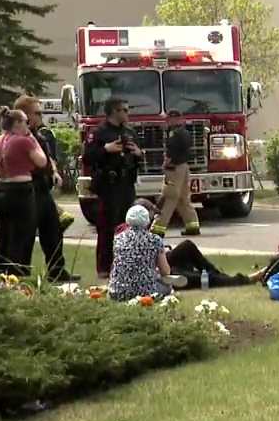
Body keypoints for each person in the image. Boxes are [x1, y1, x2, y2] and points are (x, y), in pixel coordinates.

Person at [15, 95, 78, 282]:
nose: (40, 116)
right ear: (24, 114)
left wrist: (54, 172)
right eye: (37, 113)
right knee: (25, 234)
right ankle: (21, 272)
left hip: (42, 189)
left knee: (53, 230)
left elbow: (47, 158)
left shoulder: (39, 135)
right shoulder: (18, 137)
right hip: (27, 190)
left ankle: (57, 271)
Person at [123, 199, 251, 289]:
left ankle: (219, 276)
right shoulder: (152, 239)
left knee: (186, 252)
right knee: (194, 276)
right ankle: (236, 280)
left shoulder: (120, 237)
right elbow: (165, 270)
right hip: (152, 277)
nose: (153, 220)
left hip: (134, 277)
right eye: (151, 217)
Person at [83, 96, 143, 278]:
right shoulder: (99, 133)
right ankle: (105, 267)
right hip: (108, 186)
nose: (128, 113)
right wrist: (105, 150)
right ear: (114, 111)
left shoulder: (129, 132)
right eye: (124, 110)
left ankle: (127, 265)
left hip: (126, 184)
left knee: (129, 226)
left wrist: (138, 154)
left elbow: (137, 156)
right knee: (108, 228)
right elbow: (88, 158)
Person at [0, 108, 49, 277]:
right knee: (23, 230)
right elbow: (41, 161)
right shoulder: (24, 141)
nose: (27, 126)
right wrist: (32, 139)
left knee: (5, 229)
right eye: (25, 122)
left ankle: (0, 266)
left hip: (2, 188)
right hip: (21, 189)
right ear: (17, 123)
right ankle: (18, 268)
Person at [107, 204, 185, 301]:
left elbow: (117, 264)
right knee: (166, 287)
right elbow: (165, 271)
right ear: (147, 221)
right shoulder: (154, 240)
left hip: (117, 291)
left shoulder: (118, 238)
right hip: (145, 292)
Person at [152, 110, 200, 237]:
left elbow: (171, 150)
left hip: (174, 168)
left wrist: (165, 163)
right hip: (184, 167)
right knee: (183, 198)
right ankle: (192, 225)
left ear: (175, 119)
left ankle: (158, 228)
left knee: (169, 196)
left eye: (168, 119)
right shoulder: (185, 132)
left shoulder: (175, 134)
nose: (167, 121)